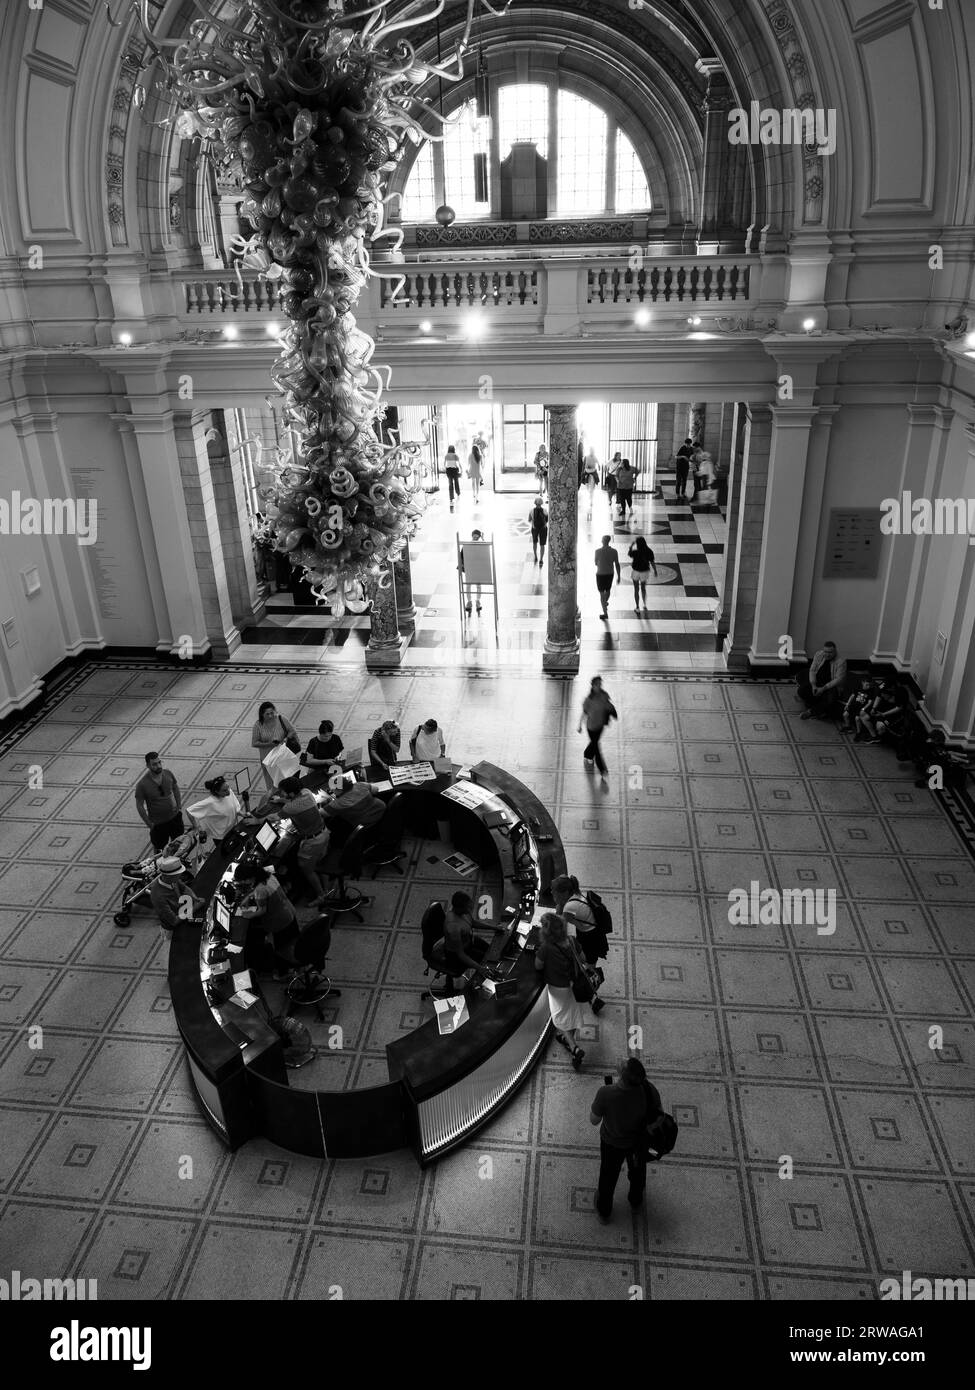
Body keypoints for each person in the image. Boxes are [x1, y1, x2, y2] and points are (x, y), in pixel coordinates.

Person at [589, 1057, 663, 1222]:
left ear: (622, 1076)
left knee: (608, 1177)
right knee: (637, 1172)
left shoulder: (606, 1093)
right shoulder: (648, 1089)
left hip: (611, 1143)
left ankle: (604, 1212)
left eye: (624, 1064)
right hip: (637, 1143)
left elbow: (593, 1120)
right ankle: (636, 1202)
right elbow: (660, 1115)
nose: (621, 1061)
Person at [534, 912, 589, 1070]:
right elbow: (583, 959)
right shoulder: (571, 940)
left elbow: (538, 966)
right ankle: (570, 1046)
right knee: (571, 1013)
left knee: (559, 1017)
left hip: (557, 988)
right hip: (575, 984)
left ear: (546, 932)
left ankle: (573, 1047)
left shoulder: (546, 948)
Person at [233, 862, 299, 980]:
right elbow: (261, 891)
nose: (243, 884)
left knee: (280, 948)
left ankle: (284, 973)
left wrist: (249, 915)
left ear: (249, 878)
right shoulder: (268, 876)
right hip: (289, 911)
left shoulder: (260, 890)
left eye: (243, 881)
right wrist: (249, 897)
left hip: (279, 921)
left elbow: (262, 910)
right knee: (290, 940)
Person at [273, 774, 330, 904]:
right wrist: (280, 800)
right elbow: (296, 802)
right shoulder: (307, 792)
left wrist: (257, 820)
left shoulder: (290, 808)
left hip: (312, 842)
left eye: (282, 792)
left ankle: (321, 896)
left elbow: (274, 817)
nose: (280, 793)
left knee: (307, 869)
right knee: (321, 861)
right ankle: (327, 888)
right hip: (324, 833)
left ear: (291, 793)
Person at [135, 752, 185, 850]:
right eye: (154, 764)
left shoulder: (168, 773)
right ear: (148, 766)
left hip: (175, 818)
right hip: (158, 824)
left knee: (179, 843)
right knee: (160, 850)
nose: (158, 766)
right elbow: (140, 806)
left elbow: (175, 787)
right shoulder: (142, 784)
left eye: (159, 762)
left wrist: (179, 805)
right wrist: (149, 824)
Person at [149, 855, 204, 943]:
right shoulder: (158, 896)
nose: (180, 876)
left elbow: (184, 888)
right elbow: (174, 921)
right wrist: (195, 907)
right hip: (171, 930)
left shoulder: (172, 880)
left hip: (182, 916)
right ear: (168, 876)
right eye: (178, 874)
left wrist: (195, 898)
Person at [320, 774, 386, 847]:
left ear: (340, 790)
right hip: (383, 813)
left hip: (367, 826)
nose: (331, 790)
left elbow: (321, 814)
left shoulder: (338, 803)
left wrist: (325, 800)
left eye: (333, 789)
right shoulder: (361, 785)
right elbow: (376, 790)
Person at [443, 891, 491, 982]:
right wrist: (479, 968)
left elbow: (472, 923)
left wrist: (494, 928)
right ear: (459, 908)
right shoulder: (453, 927)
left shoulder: (462, 912)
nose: (470, 910)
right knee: (486, 960)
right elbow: (460, 954)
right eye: (467, 907)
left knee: (491, 950)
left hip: (468, 940)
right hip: (457, 955)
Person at [251, 701, 299, 790]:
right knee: (273, 783)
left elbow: (292, 731)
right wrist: (269, 744)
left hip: (283, 756)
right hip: (269, 760)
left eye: (272, 713)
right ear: (262, 715)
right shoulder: (258, 725)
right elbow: (254, 743)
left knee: (287, 778)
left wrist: (285, 739)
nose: (270, 716)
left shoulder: (281, 719)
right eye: (267, 714)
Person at [186, 775, 244, 847]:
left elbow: (235, 808)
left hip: (232, 828)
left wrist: (243, 814)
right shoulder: (210, 802)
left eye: (228, 787)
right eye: (224, 790)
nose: (228, 792)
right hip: (220, 836)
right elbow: (189, 811)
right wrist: (196, 828)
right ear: (217, 791)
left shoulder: (228, 792)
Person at [797, 642, 847, 720]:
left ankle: (811, 712)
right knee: (801, 691)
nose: (827, 654)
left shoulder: (841, 661)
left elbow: (838, 679)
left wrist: (823, 688)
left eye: (830, 652)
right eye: (825, 652)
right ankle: (818, 707)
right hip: (817, 682)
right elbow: (812, 670)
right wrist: (813, 685)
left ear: (835, 651)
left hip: (831, 686)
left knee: (830, 700)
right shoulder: (819, 654)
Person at [578, 674, 616, 776]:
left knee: (594, 743)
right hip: (591, 727)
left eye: (600, 684)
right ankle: (602, 769)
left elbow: (609, 705)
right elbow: (584, 713)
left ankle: (587, 754)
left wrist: (613, 713)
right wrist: (579, 725)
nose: (600, 686)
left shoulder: (604, 695)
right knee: (596, 747)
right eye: (598, 684)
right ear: (593, 686)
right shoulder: (588, 700)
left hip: (600, 726)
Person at [594, 535, 621, 620]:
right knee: (608, 590)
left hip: (600, 574)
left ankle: (605, 612)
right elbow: (617, 564)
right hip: (610, 573)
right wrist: (619, 575)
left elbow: (595, 563)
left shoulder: (597, 551)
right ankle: (605, 602)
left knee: (602, 593)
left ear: (602, 541)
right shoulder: (614, 551)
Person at [628, 534, 657, 612]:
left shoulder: (635, 552)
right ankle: (644, 604)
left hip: (636, 572)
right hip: (645, 572)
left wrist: (631, 546)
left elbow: (629, 554)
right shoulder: (649, 551)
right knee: (643, 588)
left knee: (636, 589)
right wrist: (655, 570)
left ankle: (637, 607)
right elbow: (652, 562)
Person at [460, 529, 485, 614]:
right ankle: (469, 601)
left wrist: (483, 540)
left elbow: (486, 552)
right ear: (472, 535)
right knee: (469, 585)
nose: (476, 537)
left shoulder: (481, 544)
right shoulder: (467, 545)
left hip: (477, 567)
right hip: (470, 567)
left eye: (477, 536)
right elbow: (462, 556)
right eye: (475, 536)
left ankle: (477, 601)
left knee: (477, 585)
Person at [529, 497, 548, 565]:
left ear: (535, 503)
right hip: (543, 529)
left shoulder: (531, 511)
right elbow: (547, 520)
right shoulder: (545, 510)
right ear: (541, 503)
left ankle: (536, 556)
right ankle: (541, 559)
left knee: (535, 542)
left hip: (535, 528)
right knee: (542, 544)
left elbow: (529, 520)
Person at [582, 448, 599, 517]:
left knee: (592, 487)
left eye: (593, 450)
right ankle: (589, 495)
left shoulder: (595, 457)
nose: (592, 451)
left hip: (593, 471)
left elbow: (598, 462)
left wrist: (599, 466)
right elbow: (584, 464)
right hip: (587, 471)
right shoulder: (586, 456)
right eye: (591, 450)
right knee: (587, 486)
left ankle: (591, 499)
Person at [443, 445, 462, 510]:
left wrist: (446, 468)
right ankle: (458, 493)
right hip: (454, 470)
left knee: (450, 484)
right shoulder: (455, 455)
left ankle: (451, 498)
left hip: (448, 470)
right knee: (456, 482)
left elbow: (444, 464)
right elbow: (458, 463)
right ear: (454, 449)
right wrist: (461, 469)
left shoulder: (446, 455)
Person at [468, 437, 483, 502]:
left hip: (472, 470)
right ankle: (477, 496)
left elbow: (468, 463)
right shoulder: (480, 456)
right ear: (477, 449)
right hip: (478, 471)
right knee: (477, 484)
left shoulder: (470, 455)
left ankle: (473, 493)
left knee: (473, 482)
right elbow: (482, 464)